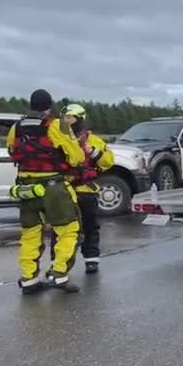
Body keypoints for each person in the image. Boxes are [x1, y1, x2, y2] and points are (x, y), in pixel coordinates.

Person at [7, 89, 85, 294]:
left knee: (30, 234)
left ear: (30, 105)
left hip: (25, 187)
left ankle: (28, 280)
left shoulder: (16, 127)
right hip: (53, 188)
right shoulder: (57, 126)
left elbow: (11, 150)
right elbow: (76, 157)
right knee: (69, 230)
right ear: (49, 106)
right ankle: (60, 275)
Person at [47, 104, 114, 274]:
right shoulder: (57, 137)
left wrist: (91, 151)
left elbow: (108, 162)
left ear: (80, 119)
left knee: (91, 226)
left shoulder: (93, 140)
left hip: (86, 190)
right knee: (60, 229)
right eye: (65, 118)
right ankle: (57, 264)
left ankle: (91, 259)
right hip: (64, 191)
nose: (67, 121)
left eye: (71, 117)